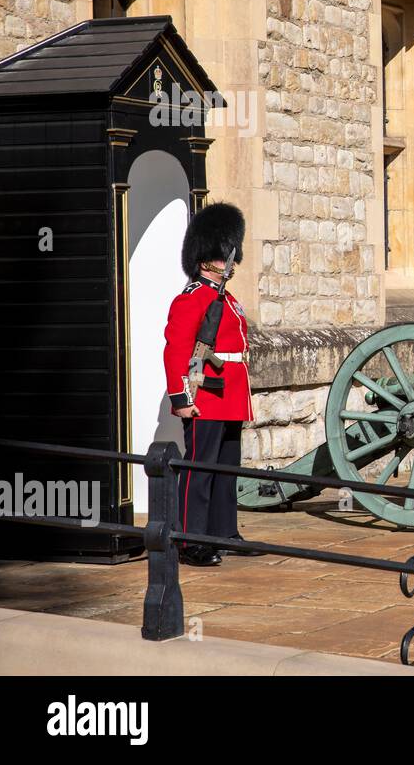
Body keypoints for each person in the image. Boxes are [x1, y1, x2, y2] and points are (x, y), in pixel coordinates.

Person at [161, 202, 260, 567]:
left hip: (230, 395)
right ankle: (191, 540)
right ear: (207, 258)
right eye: (224, 254)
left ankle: (223, 531)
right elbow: (176, 351)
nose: (230, 260)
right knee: (200, 469)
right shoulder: (192, 298)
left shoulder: (225, 298)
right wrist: (182, 397)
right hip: (207, 396)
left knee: (226, 468)